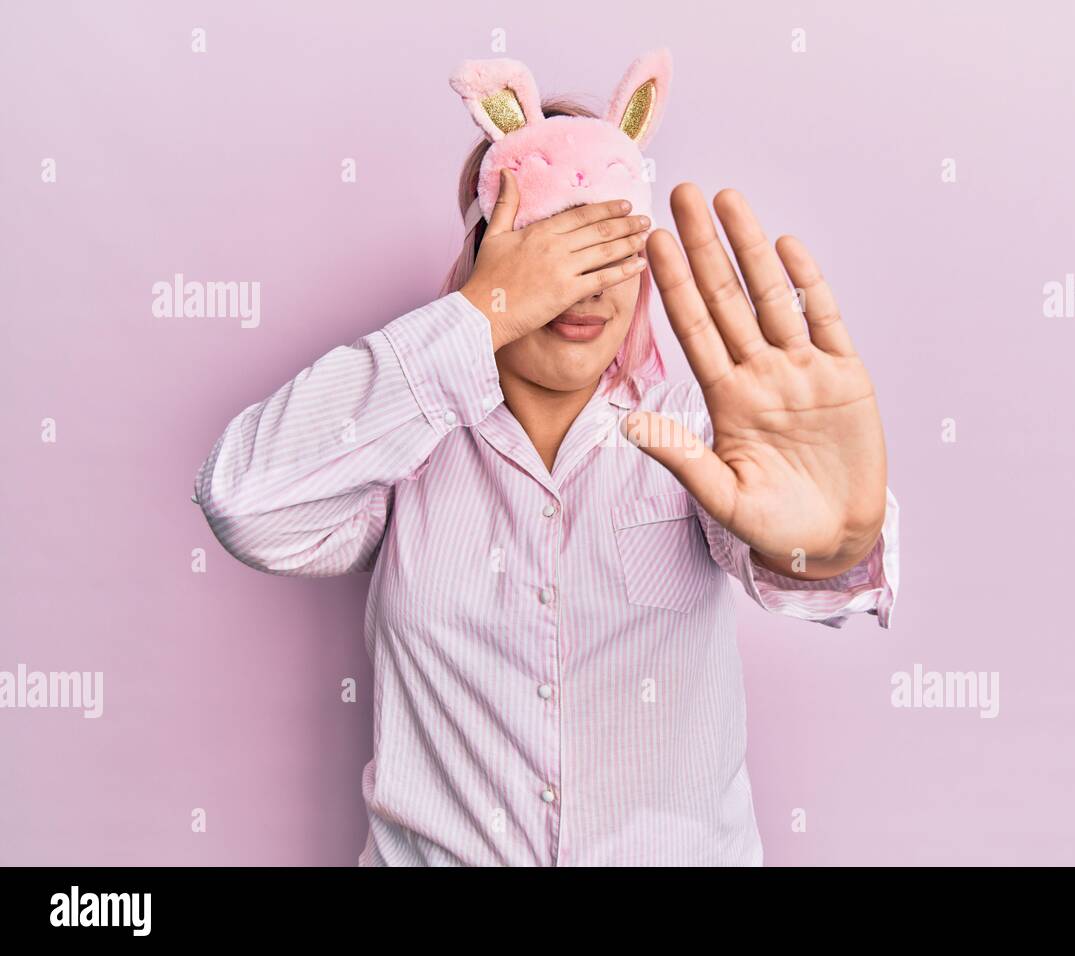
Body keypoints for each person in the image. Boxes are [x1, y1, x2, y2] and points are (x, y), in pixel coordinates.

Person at [194, 50, 899, 866]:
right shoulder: (405, 446)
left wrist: (835, 549)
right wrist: (473, 319)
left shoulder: (699, 433)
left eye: (612, 248)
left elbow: (814, 562)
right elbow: (243, 503)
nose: (589, 288)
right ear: (484, 257)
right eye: (553, 249)